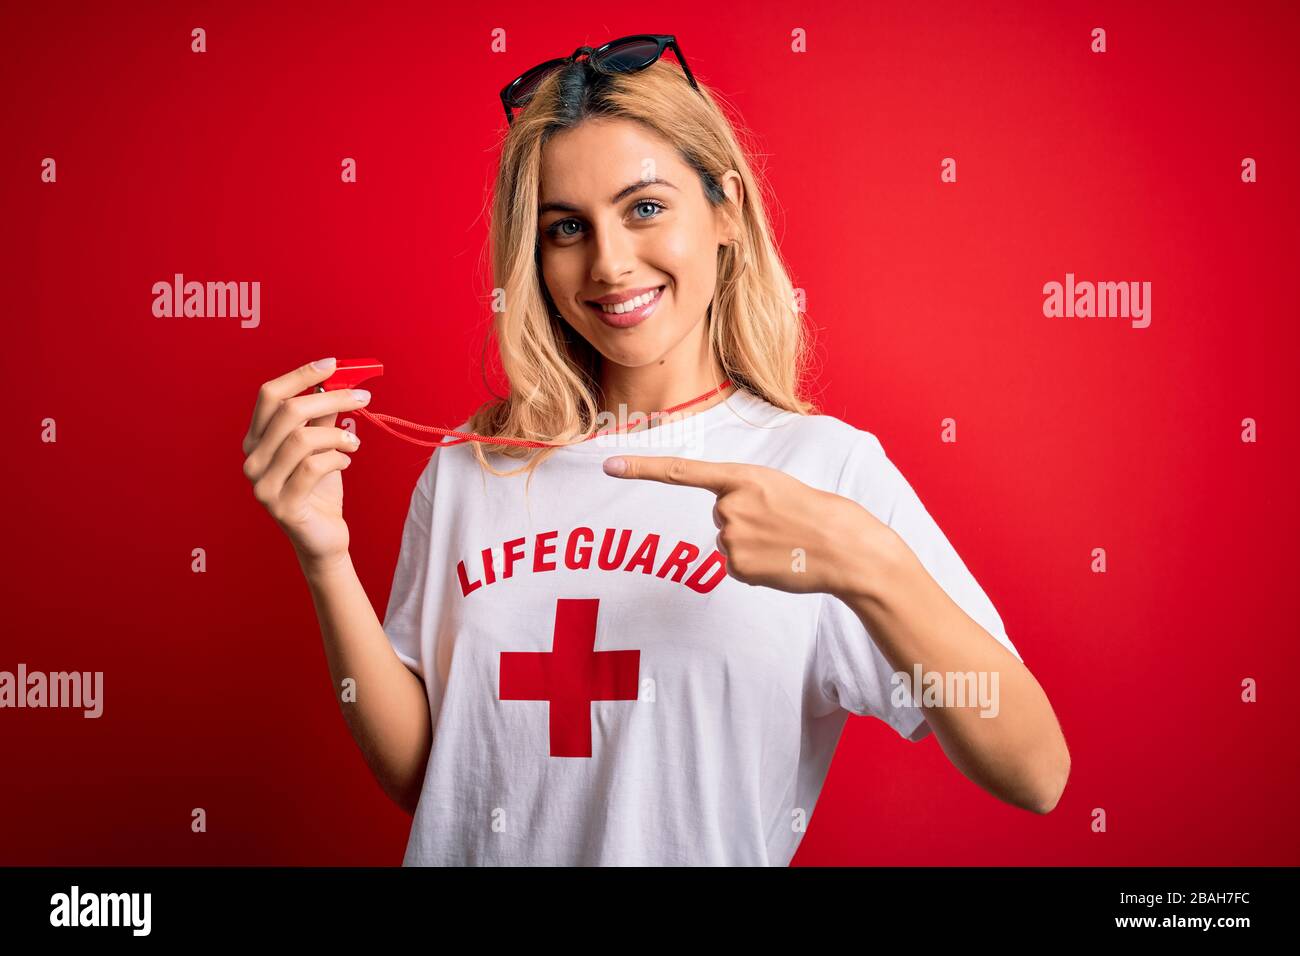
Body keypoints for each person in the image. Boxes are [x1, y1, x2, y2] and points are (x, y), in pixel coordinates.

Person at [241, 35, 1069, 866]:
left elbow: (1036, 771)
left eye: (644, 208)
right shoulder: (469, 467)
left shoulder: (825, 469)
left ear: (726, 213)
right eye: (567, 227)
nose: (609, 263)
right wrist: (326, 554)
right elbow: (436, 779)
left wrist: (870, 566)